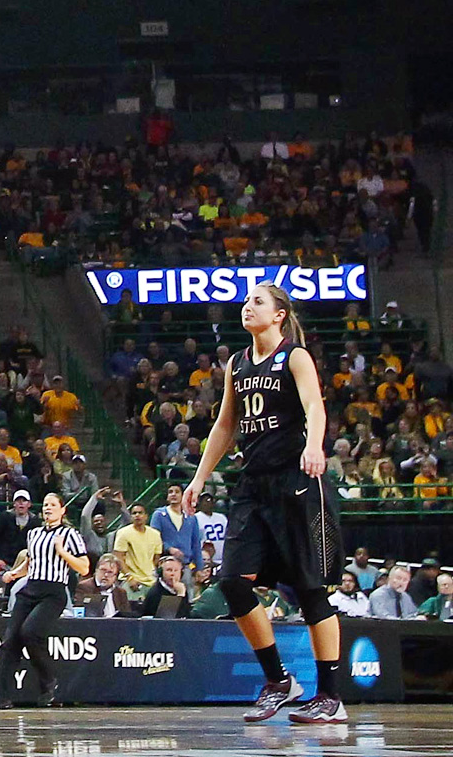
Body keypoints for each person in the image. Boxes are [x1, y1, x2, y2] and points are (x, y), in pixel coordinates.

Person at [182, 282, 348, 724]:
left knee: (313, 590)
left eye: (257, 301)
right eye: (245, 301)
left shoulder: (294, 356)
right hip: (253, 484)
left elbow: (314, 406)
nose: (247, 306)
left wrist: (315, 446)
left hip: (297, 480)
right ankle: (279, 680)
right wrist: (199, 478)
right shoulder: (237, 363)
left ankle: (330, 696)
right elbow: (224, 425)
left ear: (278, 315)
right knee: (233, 582)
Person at [0, 492, 88, 709]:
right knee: (10, 640)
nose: (48, 508)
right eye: (46, 505)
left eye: (53, 505)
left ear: (63, 510)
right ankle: (1, 695)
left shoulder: (70, 534)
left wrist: (62, 552)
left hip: (54, 592)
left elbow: (84, 567)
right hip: (31, 587)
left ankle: (49, 680)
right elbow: (31, 562)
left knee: (30, 633)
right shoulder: (34, 533)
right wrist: (14, 573)